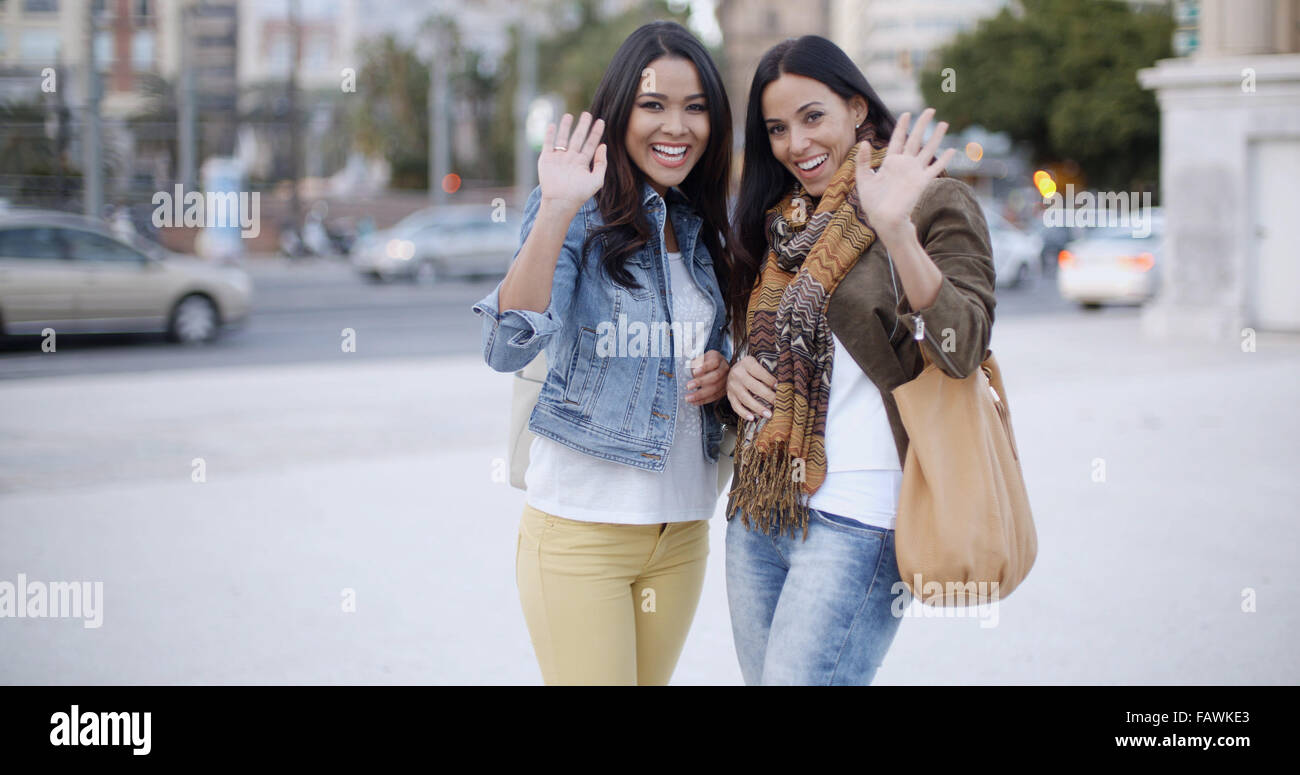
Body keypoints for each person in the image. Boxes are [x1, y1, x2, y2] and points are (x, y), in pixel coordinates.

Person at [722, 35, 997, 685]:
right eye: (777, 129)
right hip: (761, 509)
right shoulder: (779, 222)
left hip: (861, 513)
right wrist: (734, 365)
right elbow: (760, 334)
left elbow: (964, 349)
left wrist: (896, 230)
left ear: (854, 107)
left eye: (812, 116)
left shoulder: (932, 200)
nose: (796, 143)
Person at [472, 21, 734, 685]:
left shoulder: (699, 226)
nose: (676, 126)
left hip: (681, 530)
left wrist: (722, 369)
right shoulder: (577, 212)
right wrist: (558, 208)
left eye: (694, 106)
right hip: (582, 528)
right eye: (654, 105)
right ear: (620, 112)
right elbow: (505, 343)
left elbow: (699, 341)